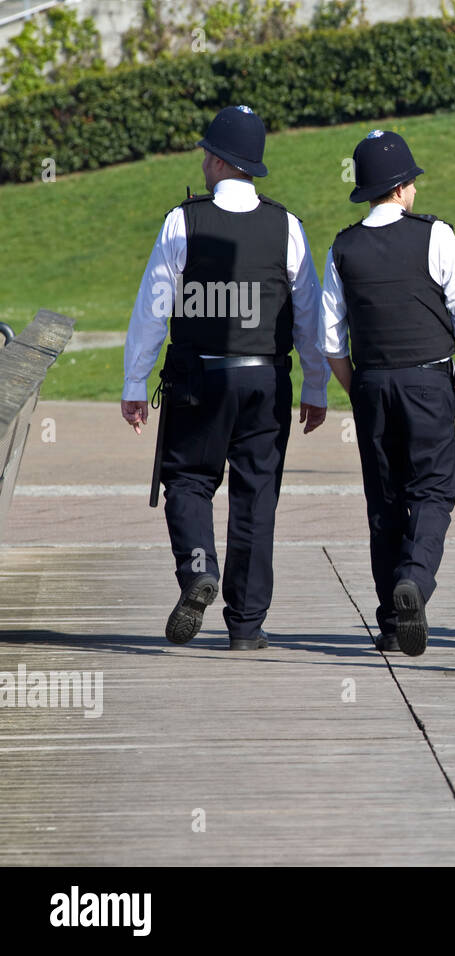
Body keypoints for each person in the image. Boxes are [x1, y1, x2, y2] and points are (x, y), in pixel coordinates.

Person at [121, 104, 330, 651]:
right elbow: (308, 313)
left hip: (198, 379)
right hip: (266, 380)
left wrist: (133, 383)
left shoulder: (181, 220)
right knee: (257, 496)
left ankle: (197, 571)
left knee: (189, 480)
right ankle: (246, 625)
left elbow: (152, 309)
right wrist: (315, 387)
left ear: (215, 160)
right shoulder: (287, 225)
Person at [319, 130, 455, 657]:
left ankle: (391, 622)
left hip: (371, 384)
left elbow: (331, 341)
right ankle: (414, 579)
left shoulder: (342, 246)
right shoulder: (436, 235)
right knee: (432, 491)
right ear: (404, 187)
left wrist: (356, 388)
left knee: (384, 502)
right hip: (429, 380)